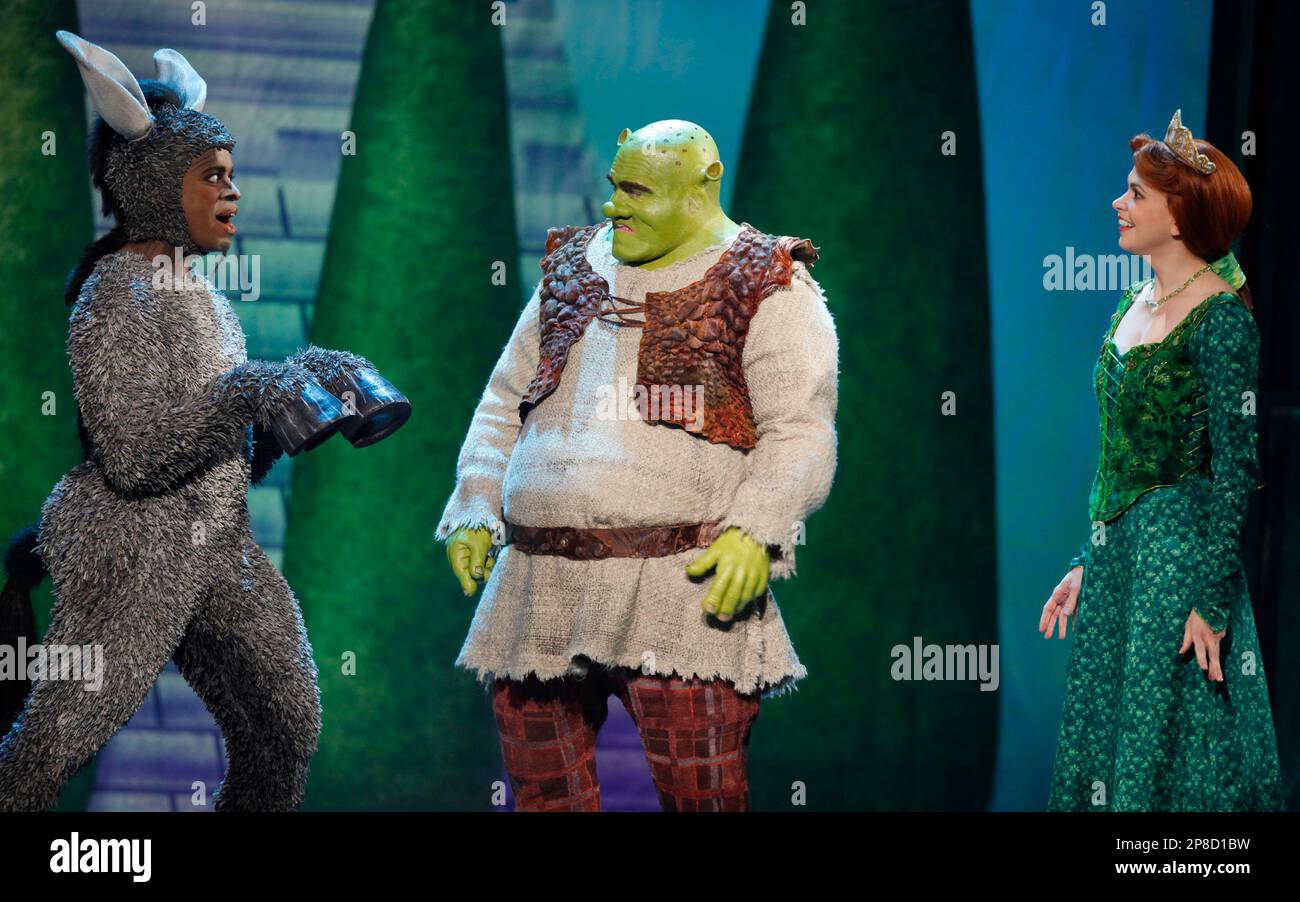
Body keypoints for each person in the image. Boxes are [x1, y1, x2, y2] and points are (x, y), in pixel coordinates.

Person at [0, 32, 405, 811]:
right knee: (58, 739)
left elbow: (225, 453)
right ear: (154, 181)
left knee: (285, 726)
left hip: (218, 544)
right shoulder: (115, 297)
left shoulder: (208, 299)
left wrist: (305, 387)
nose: (233, 191)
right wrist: (250, 391)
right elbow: (135, 458)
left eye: (232, 175)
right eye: (212, 176)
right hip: (131, 548)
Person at [438, 120, 838, 811]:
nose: (613, 207)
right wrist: (475, 504)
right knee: (545, 800)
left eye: (637, 190)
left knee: (701, 796)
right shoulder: (573, 267)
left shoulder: (764, 280)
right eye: (613, 186)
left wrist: (756, 528)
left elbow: (799, 431)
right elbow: (504, 401)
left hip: (679, 590)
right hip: (539, 587)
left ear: (702, 187)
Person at [1041, 110, 1284, 811]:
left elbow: (1238, 470)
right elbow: (1117, 455)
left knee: (1165, 749)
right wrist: (1087, 559)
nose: (1120, 204)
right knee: (1103, 733)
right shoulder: (1129, 306)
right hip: (1119, 560)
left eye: (1136, 195)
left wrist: (1209, 603)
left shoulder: (1222, 322)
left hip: (1176, 565)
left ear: (1178, 217)